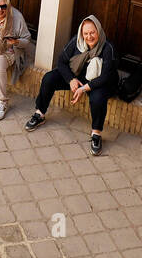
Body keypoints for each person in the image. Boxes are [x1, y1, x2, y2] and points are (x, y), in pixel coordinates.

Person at [25, 14, 118, 155]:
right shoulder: (77, 41)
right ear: (82, 33)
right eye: (86, 33)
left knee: (98, 99)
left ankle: (96, 134)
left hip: (99, 81)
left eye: (92, 32)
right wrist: (71, 80)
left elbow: (106, 76)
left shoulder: (107, 48)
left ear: (98, 31)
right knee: (49, 78)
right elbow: (61, 61)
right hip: (78, 76)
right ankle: (40, 114)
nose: (89, 37)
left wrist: (83, 89)